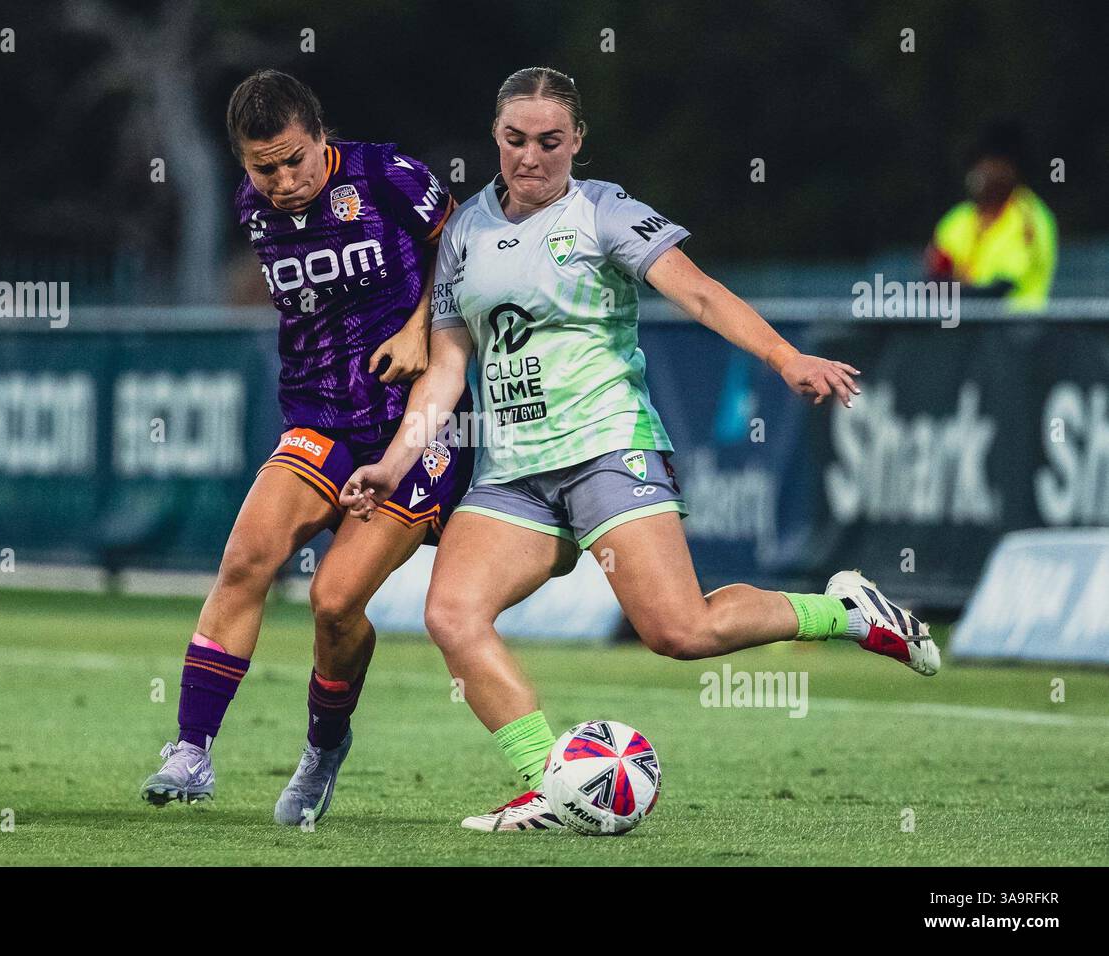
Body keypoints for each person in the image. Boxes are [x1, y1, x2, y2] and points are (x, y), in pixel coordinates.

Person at [340, 67, 938, 832]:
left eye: (550, 142)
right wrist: (393, 465)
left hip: (605, 447)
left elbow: (698, 293)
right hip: (514, 473)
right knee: (452, 615)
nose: (531, 158)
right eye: (515, 140)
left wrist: (785, 358)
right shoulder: (464, 234)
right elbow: (449, 368)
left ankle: (845, 612)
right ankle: (555, 787)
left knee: (679, 632)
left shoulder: (603, 212)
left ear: (578, 140)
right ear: (496, 138)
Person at [140, 69, 471, 825]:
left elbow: (464, 255)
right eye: (265, 167)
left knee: (333, 603)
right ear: (241, 164)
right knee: (247, 558)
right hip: (320, 415)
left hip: (418, 423)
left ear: (322, 136)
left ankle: (323, 748)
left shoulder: (386, 174)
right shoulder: (249, 208)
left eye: (296, 159)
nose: (284, 181)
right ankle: (192, 748)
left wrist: (421, 328)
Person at [925, 120, 1057, 311]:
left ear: (1011, 168)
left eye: (991, 163)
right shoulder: (957, 219)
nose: (981, 172)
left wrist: (955, 291)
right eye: (978, 164)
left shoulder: (1029, 217)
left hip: (1018, 326)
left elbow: (1000, 289)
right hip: (964, 325)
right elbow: (933, 281)